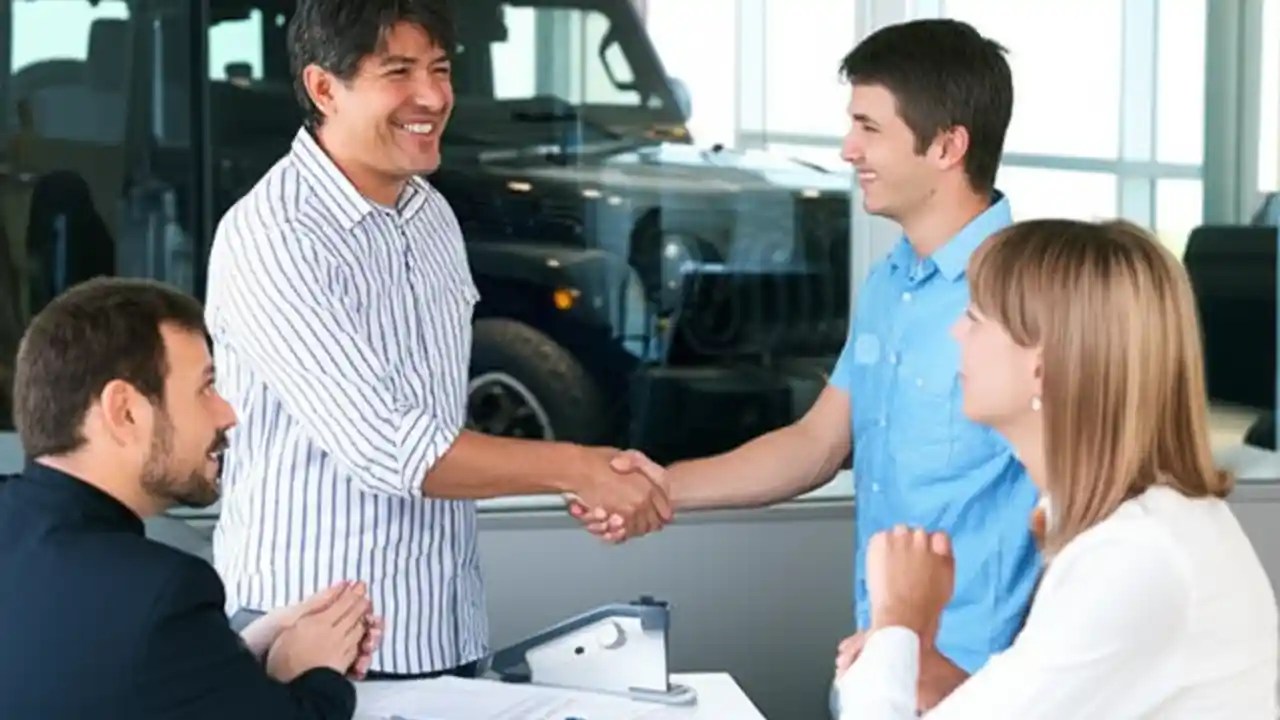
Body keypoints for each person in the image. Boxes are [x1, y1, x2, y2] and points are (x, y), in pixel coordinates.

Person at [202, 0, 671, 680]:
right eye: (399, 71)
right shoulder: (276, 236)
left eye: (441, 68)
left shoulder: (429, 216)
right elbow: (390, 445)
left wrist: (586, 481)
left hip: (443, 633)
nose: (433, 96)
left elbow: (436, 424)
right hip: (316, 645)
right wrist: (578, 468)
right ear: (323, 88)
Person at [577, 17, 1038, 698]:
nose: (849, 149)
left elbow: (1091, 492)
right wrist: (661, 487)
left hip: (985, 681)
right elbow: (818, 443)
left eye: (869, 127)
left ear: (947, 145)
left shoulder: (1036, 292)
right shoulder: (891, 285)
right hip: (880, 663)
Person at [834, 219, 1280, 718]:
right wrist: (928, 669)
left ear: (1042, 365)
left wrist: (895, 623)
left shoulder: (1135, 558)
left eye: (976, 317)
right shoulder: (1142, 529)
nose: (956, 331)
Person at [0, 277, 383, 719]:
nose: (227, 413)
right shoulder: (161, 591)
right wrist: (315, 671)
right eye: (206, 387)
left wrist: (235, 649)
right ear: (124, 412)